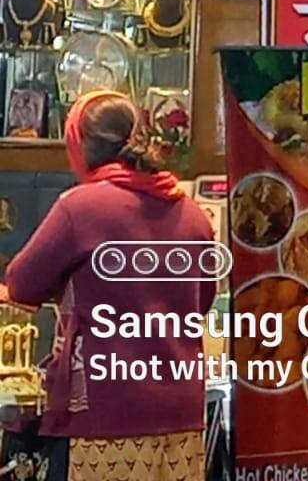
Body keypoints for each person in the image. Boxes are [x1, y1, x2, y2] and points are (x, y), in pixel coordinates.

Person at [0, 91, 215, 481]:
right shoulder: (193, 214)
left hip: (106, 414)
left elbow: (22, 280)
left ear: (78, 146)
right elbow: (201, 301)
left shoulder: (80, 208)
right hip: (182, 415)